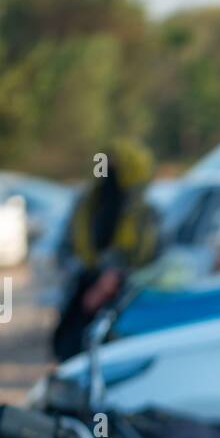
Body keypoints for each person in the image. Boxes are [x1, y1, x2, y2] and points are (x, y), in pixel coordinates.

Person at [52, 139, 158, 360]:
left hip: (125, 296)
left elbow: (149, 256)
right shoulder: (88, 203)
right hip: (84, 288)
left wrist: (113, 278)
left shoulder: (142, 213)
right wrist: (81, 274)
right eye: (104, 165)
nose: (107, 172)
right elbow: (66, 247)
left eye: (115, 167)